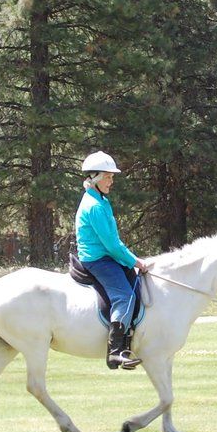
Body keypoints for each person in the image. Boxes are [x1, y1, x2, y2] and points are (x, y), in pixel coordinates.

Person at [75, 151, 148, 370]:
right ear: (95, 177)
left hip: (107, 256)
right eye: (108, 176)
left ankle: (127, 343)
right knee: (124, 297)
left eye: (112, 176)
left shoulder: (101, 200)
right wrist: (136, 261)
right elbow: (112, 245)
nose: (111, 181)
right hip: (98, 259)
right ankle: (115, 352)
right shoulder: (95, 206)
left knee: (135, 291)